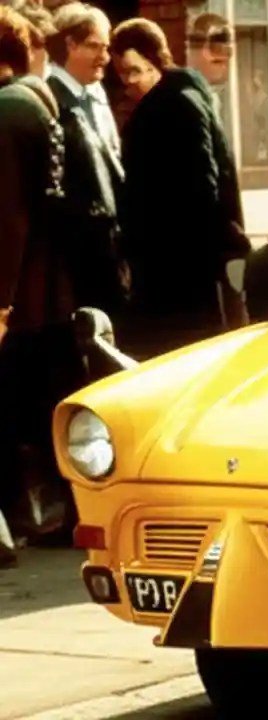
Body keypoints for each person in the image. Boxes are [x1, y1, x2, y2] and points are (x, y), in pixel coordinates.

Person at [108, 17, 248, 359]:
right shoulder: (182, 98)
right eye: (123, 74)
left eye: (135, 71)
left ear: (156, 62)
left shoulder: (176, 103)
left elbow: (204, 185)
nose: (128, 82)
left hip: (179, 269)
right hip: (181, 267)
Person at [0, 3, 83, 554]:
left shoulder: (7, 109)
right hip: (52, 289)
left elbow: (9, 215)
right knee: (47, 405)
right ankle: (64, 513)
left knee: (13, 411)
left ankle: (21, 523)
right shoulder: (37, 101)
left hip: (23, 296)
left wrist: (1, 299)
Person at [45, 1, 129, 318]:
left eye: (106, 48)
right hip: (80, 252)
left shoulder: (96, 93)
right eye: (95, 46)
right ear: (70, 45)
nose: (105, 58)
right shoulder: (52, 98)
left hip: (110, 244)